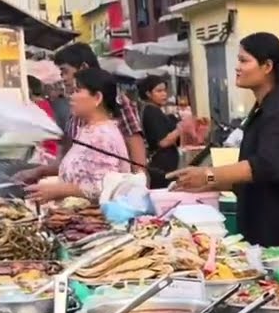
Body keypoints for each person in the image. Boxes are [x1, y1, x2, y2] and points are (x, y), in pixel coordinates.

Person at [169, 33, 279, 247]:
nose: (237, 67)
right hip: (258, 231)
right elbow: (247, 177)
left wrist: (209, 174)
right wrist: (203, 182)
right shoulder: (262, 109)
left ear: (267, 66)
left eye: (244, 61)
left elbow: (266, 166)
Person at [13, 43, 146, 185]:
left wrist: (139, 186)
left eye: (65, 71)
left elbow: (135, 149)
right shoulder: (77, 109)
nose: (62, 78)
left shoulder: (116, 102)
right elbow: (69, 157)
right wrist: (39, 172)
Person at [24, 68, 129, 203]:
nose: (70, 97)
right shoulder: (88, 130)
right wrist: (41, 173)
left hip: (94, 219)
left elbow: (103, 187)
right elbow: (81, 175)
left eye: (77, 91)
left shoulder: (102, 135)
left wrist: (57, 190)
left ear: (97, 98)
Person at [136, 75, 183, 188]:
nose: (164, 94)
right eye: (159, 91)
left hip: (166, 165)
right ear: (148, 94)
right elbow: (163, 142)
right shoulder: (151, 112)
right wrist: (181, 128)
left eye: (165, 90)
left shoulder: (156, 111)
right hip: (161, 166)